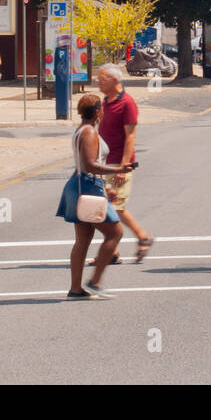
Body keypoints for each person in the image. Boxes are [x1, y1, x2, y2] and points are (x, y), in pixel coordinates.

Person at [55, 93, 131, 299]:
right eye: (102, 108)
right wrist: (117, 170)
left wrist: (106, 187)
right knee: (115, 233)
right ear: (97, 111)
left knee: (83, 239)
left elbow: (88, 165)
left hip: (81, 185)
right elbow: (90, 164)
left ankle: (76, 289)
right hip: (87, 186)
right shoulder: (89, 133)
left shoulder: (82, 130)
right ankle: (95, 282)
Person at [96, 64, 154, 263]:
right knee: (109, 207)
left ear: (114, 80)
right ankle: (112, 251)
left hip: (120, 163)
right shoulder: (106, 101)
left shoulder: (127, 103)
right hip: (105, 162)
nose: (98, 82)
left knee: (116, 207)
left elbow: (130, 137)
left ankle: (142, 236)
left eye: (102, 79)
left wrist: (123, 167)